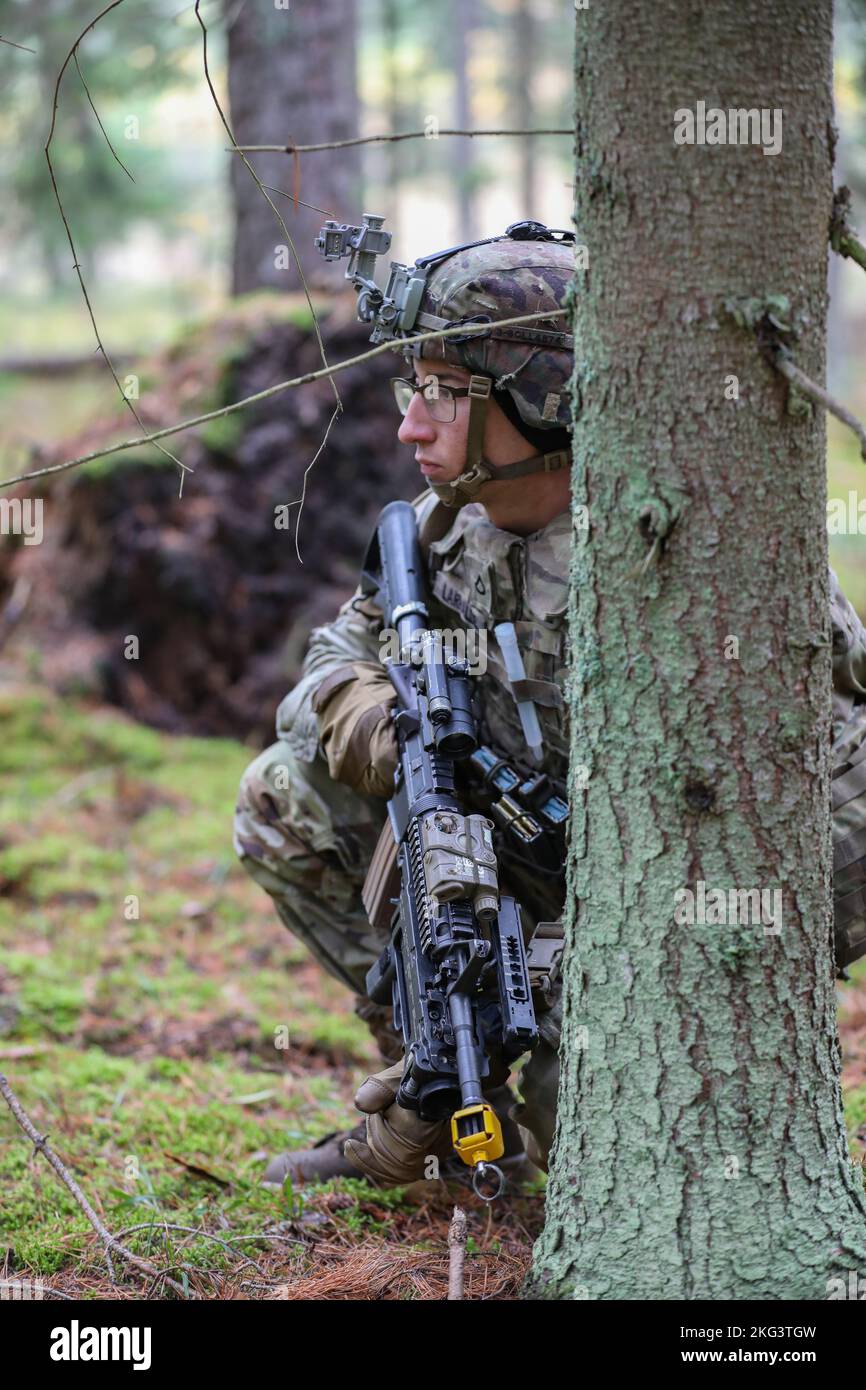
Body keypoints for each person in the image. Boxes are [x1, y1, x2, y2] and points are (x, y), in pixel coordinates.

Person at [233, 221, 866, 1192]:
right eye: (413, 389)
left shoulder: (673, 550)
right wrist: (367, 719)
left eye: (442, 393)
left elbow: (800, 821)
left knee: (594, 1159)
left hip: (700, 901)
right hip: (542, 851)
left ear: (544, 397)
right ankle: (440, 1080)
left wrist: (572, 963)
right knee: (283, 797)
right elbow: (337, 653)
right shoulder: (452, 527)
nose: (409, 425)